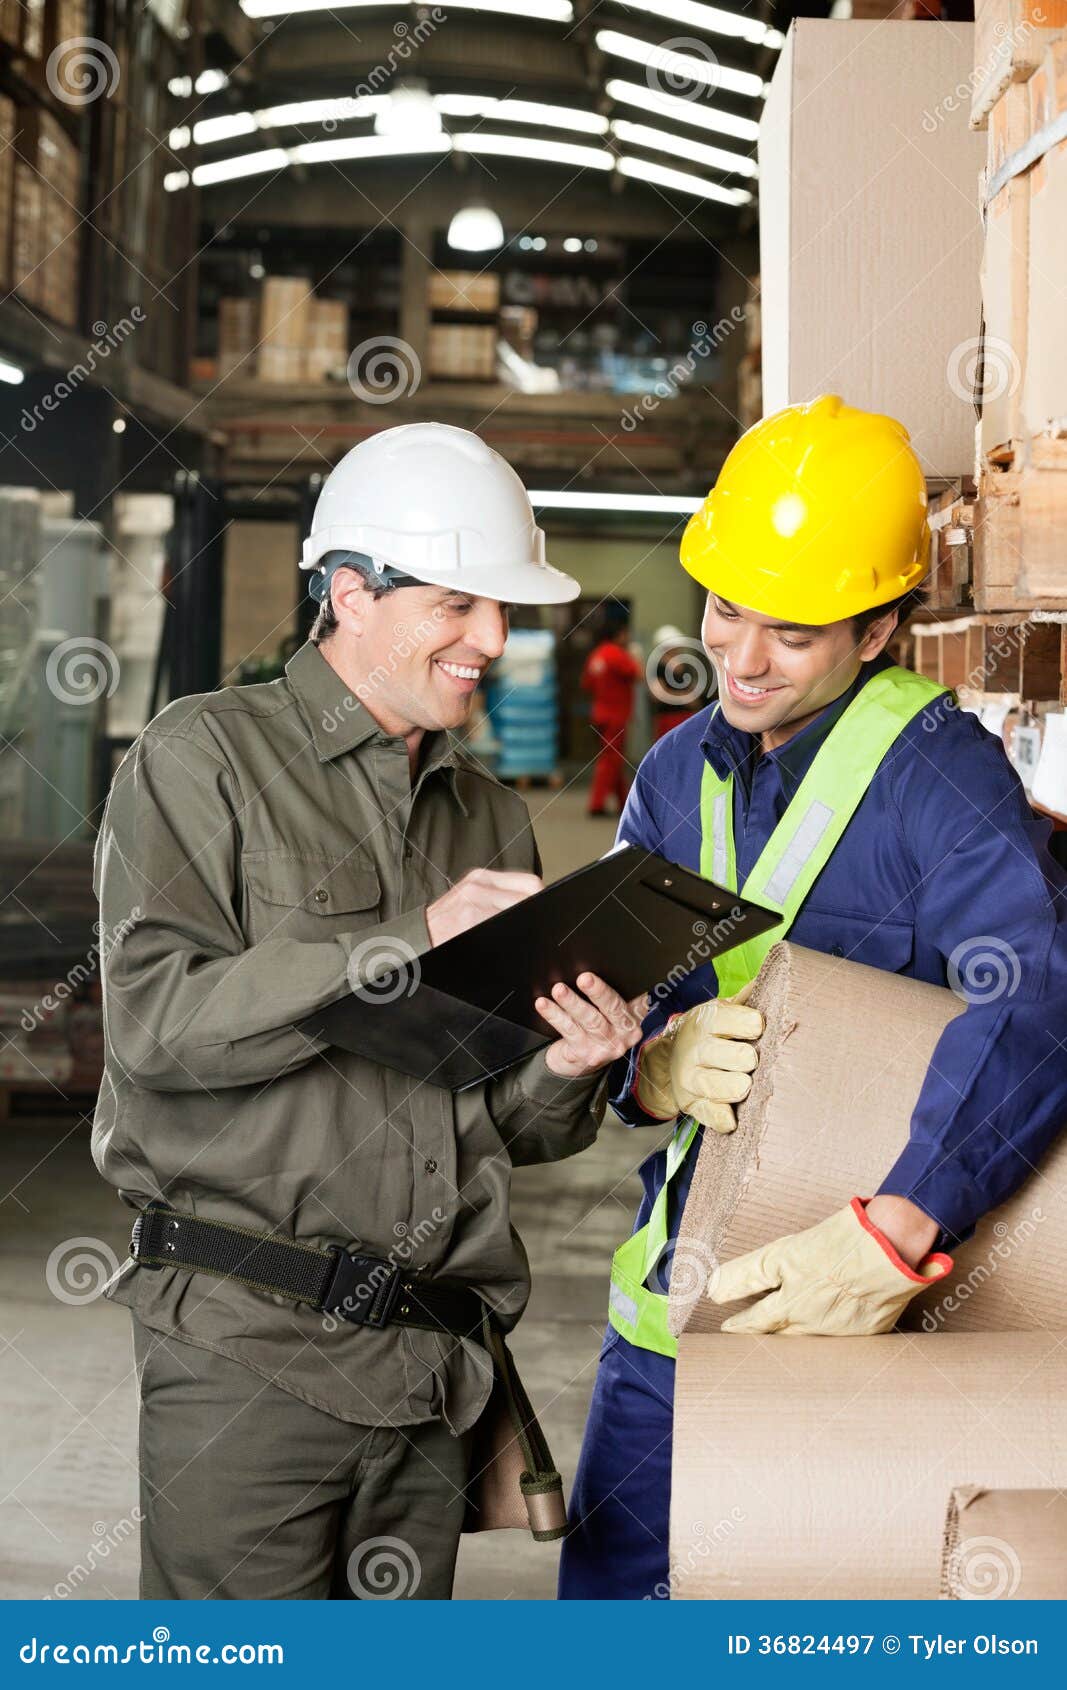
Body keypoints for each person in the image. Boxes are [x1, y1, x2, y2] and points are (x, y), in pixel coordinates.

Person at [91, 422, 646, 1600]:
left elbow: (495, 1117)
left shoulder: (485, 815)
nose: (492, 639)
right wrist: (410, 937)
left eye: (499, 610)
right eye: (458, 604)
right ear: (351, 592)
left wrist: (569, 1064)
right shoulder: (202, 761)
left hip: (431, 1365)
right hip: (246, 1353)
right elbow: (157, 1024)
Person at [558, 394, 1067, 1600]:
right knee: (609, 1628)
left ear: (877, 626)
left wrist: (899, 1226)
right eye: (725, 609)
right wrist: (649, 1064)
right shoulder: (672, 774)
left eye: (789, 633)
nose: (740, 659)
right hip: (667, 1317)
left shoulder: (939, 781)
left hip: (857, 1312)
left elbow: (1036, 995)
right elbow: (615, 998)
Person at [582, 603, 642, 816]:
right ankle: (596, 804)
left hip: (600, 713)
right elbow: (638, 674)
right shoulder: (617, 655)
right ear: (619, 635)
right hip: (616, 716)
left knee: (614, 758)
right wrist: (635, 657)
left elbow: (587, 684)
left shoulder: (597, 655)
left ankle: (624, 803)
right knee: (610, 760)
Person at [647, 623, 711, 740]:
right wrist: (683, 698)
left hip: (687, 717)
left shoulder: (685, 666)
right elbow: (656, 696)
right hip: (668, 718)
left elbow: (692, 693)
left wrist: (692, 699)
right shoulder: (658, 667)